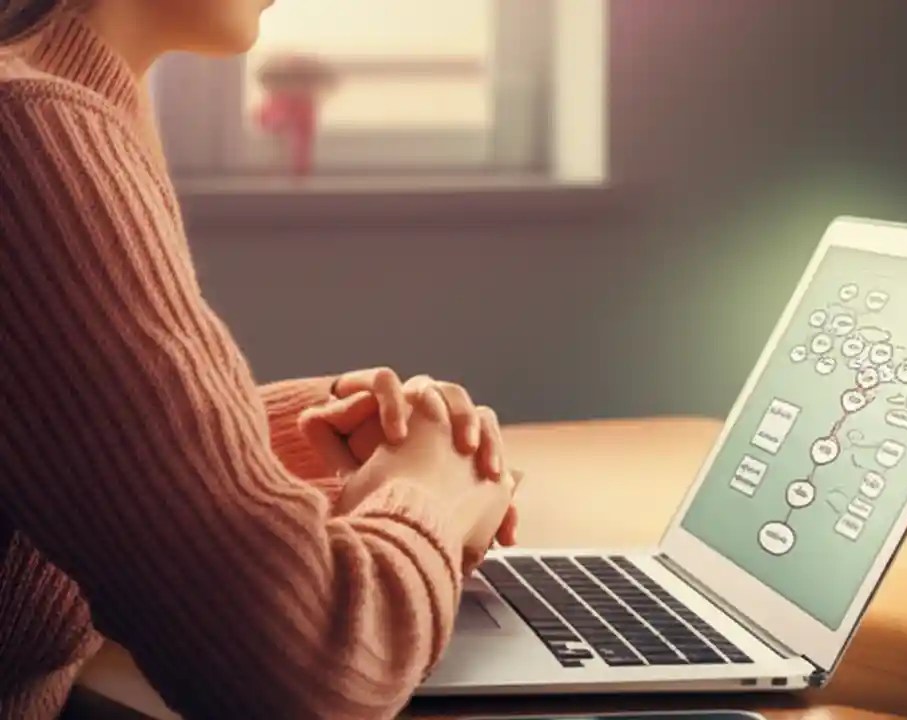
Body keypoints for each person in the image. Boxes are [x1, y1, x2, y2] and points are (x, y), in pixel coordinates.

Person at [0, 1, 522, 718]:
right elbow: (302, 669)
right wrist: (434, 492)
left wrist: (277, 429)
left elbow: (52, 450)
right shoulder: (32, 134)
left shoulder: (63, 101)